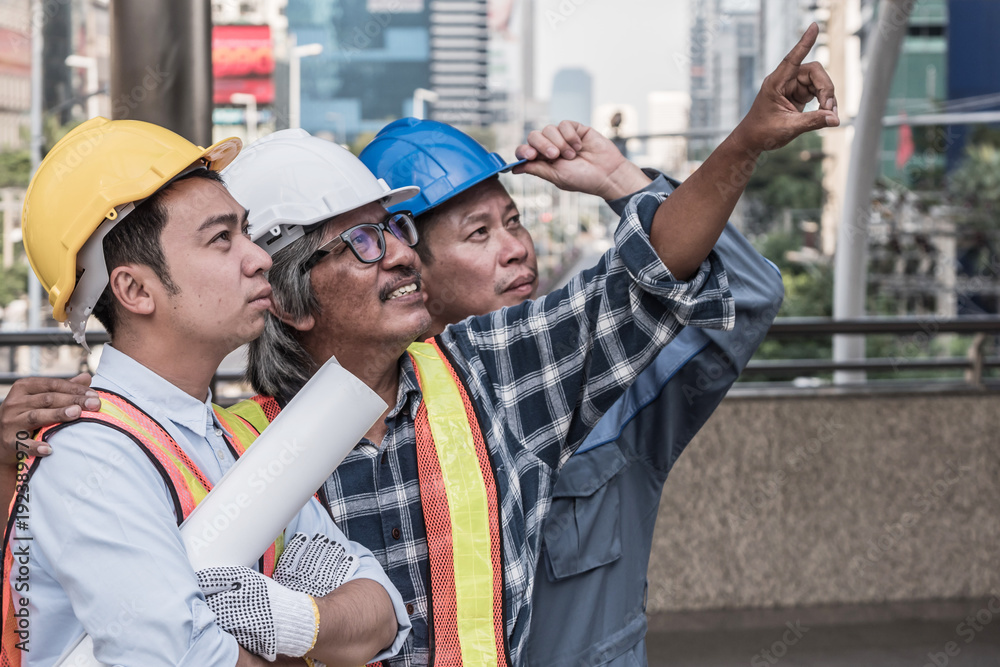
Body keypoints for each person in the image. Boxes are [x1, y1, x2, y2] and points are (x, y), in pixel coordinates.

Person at [0, 25, 835, 666]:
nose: (402, 255)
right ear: (292, 302)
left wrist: (278, 620)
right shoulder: (224, 443)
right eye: (362, 242)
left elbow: (379, 612)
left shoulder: (482, 376)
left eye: (396, 229)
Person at [358, 116, 784, 666]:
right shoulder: (368, 427)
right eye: (479, 233)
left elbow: (746, 295)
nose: (516, 248)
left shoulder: (608, 378)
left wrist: (623, 183)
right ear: (407, 266)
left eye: (513, 221)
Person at [0, 118, 409, 666]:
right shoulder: (87, 457)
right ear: (135, 289)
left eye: (244, 230)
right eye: (222, 239)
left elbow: (383, 616)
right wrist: (309, 635)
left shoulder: (229, 437)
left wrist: (281, 620)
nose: (261, 257)